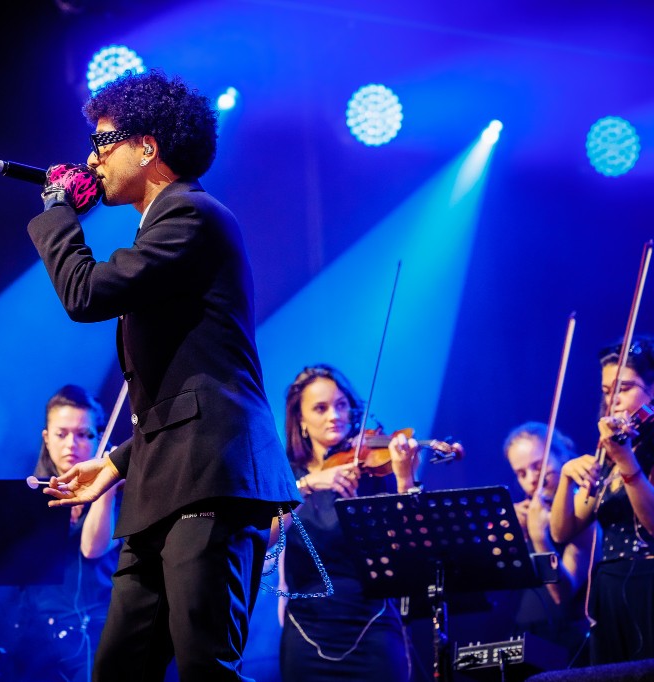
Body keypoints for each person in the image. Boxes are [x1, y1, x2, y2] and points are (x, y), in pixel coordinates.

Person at [24, 69, 300, 681]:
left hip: (212, 476)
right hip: (166, 479)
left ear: (146, 146)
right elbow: (187, 384)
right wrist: (119, 461)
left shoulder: (193, 216)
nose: (91, 159)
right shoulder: (168, 228)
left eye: (103, 142)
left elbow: (85, 292)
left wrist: (57, 210)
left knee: (207, 667)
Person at [276, 364, 417, 682]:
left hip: (373, 624)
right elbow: (262, 535)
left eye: (341, 405)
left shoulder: (369, 466)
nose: (334, 416)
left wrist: (405, 476)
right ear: (300, 419)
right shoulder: (286, 476)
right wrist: (309, 484)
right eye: (321, 408)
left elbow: (406, 545)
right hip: (307, 632)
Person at [551, 335, 654, 664]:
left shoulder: (629, 452)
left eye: (624, 388)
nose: (614, 402)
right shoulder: (611, 451)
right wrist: (567, 478)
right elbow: (562, 531)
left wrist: (626, 461)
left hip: (648, 586)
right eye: (608, 392)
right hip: (609, 590)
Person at [7, 385, 121, 682]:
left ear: (98, 438)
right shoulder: (29, 496)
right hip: (37, 639)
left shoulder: (121, 495)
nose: (72, 444)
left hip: (99, 633)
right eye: (61, 434)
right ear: (46, 438)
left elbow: (92, 549)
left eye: (84, 435)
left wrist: (107, 484)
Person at [502, 422, 593, 664]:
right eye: (521, 473)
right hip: (525, 631)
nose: (532, 480)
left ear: (562, 455)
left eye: (538, 467)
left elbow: (563, 595)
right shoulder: (525, 514)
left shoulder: (582, 513)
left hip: (568, 641)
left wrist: (540, 538)